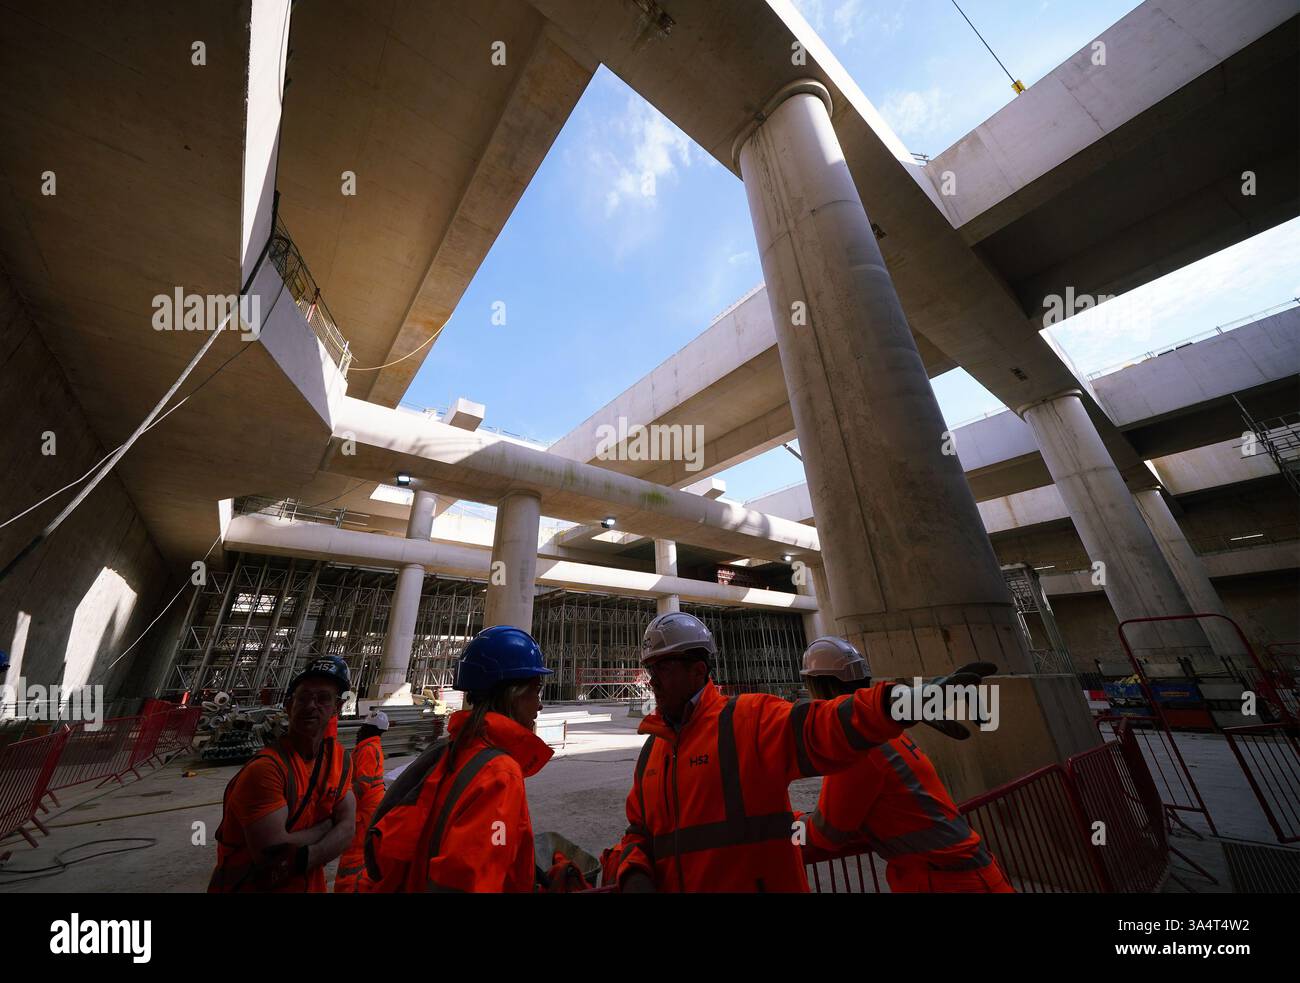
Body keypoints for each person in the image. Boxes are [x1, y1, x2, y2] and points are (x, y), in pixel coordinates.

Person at [614, 612, 994, 893]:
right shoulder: (653, 751)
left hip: (947, 881)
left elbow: (824, 727)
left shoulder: (748, 720)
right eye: (650, 669)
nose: (653, 680)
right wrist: (633, 872)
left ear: (698, 671)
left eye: (662, 667)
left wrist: (900, 702)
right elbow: (638, 832)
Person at [798, 636, 1014, 893]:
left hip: (946, 883)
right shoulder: (889, 735)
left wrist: (787, 827)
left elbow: (826, 834)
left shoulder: (857, 751)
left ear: (818, 687)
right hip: (972, 875)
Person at [358, 625, 553, 893]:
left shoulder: (453, 749)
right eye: (536, 690)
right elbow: (472, 877)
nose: (539, 704)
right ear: (514, 694)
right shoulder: (500, 772)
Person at [208, 656, 356, 892]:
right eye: (304, 697)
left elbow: (349, 828)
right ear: (289, 706)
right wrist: (326, 829)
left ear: (337, 707)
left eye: (323, 699)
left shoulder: (339, 760)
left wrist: (301, 852)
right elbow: (271, 852)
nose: (311, 706)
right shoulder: (266, 769)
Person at [333, 709, 390, 893]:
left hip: (364, 813)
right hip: (368, 809)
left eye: (364, 727)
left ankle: (347, 887)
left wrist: (338, 800)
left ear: (371, 730)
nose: (359, 730)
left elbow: (361, 786)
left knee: (353, 855)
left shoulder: (367, 750)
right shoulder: (372, 747)